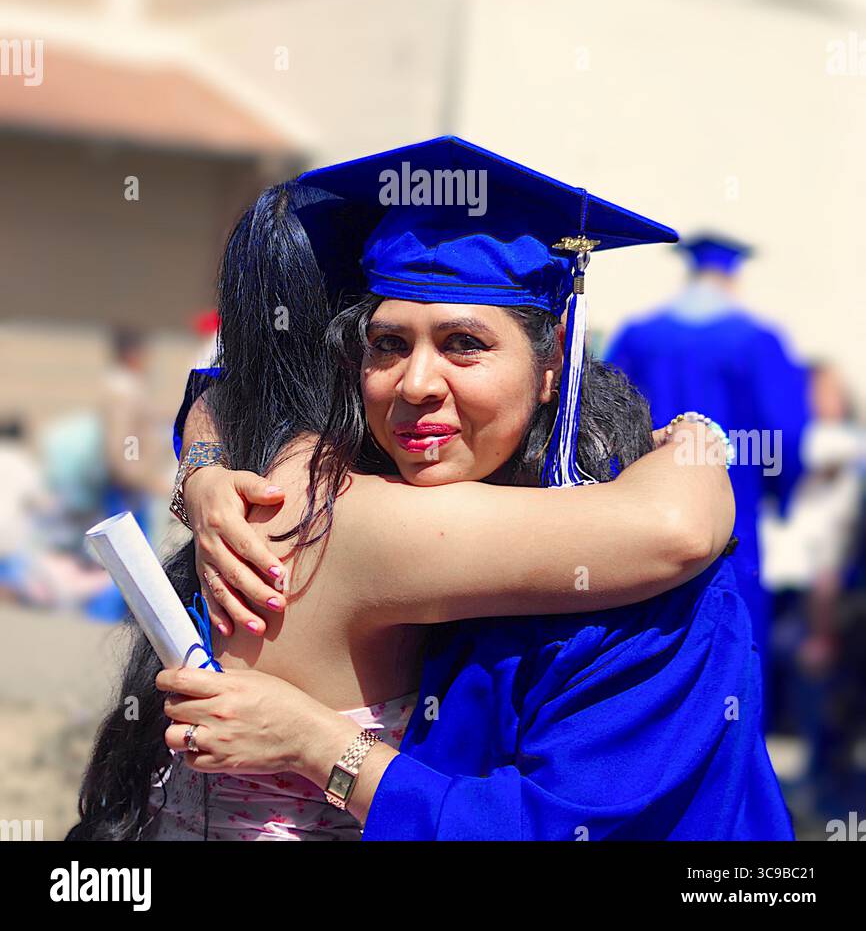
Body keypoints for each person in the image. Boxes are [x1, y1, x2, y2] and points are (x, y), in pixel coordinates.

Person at [71, 139, 791, 841]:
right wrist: (203, 468)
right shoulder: (342, 492)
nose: (415, 385)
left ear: (556, 360)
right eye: (387, 345)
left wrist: (319, 744)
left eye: (464, 344)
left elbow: (552, 825)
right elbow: (228, 391)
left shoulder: (647, 601)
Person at [606, 232, 810, 719]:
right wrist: (782, 494)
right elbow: (785, 432)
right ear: (733, 275)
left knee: (645, 632)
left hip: (643, 508)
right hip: (731, 513)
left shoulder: (641, 335)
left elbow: (609, 417)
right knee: (733, 634)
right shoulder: (756, 340)